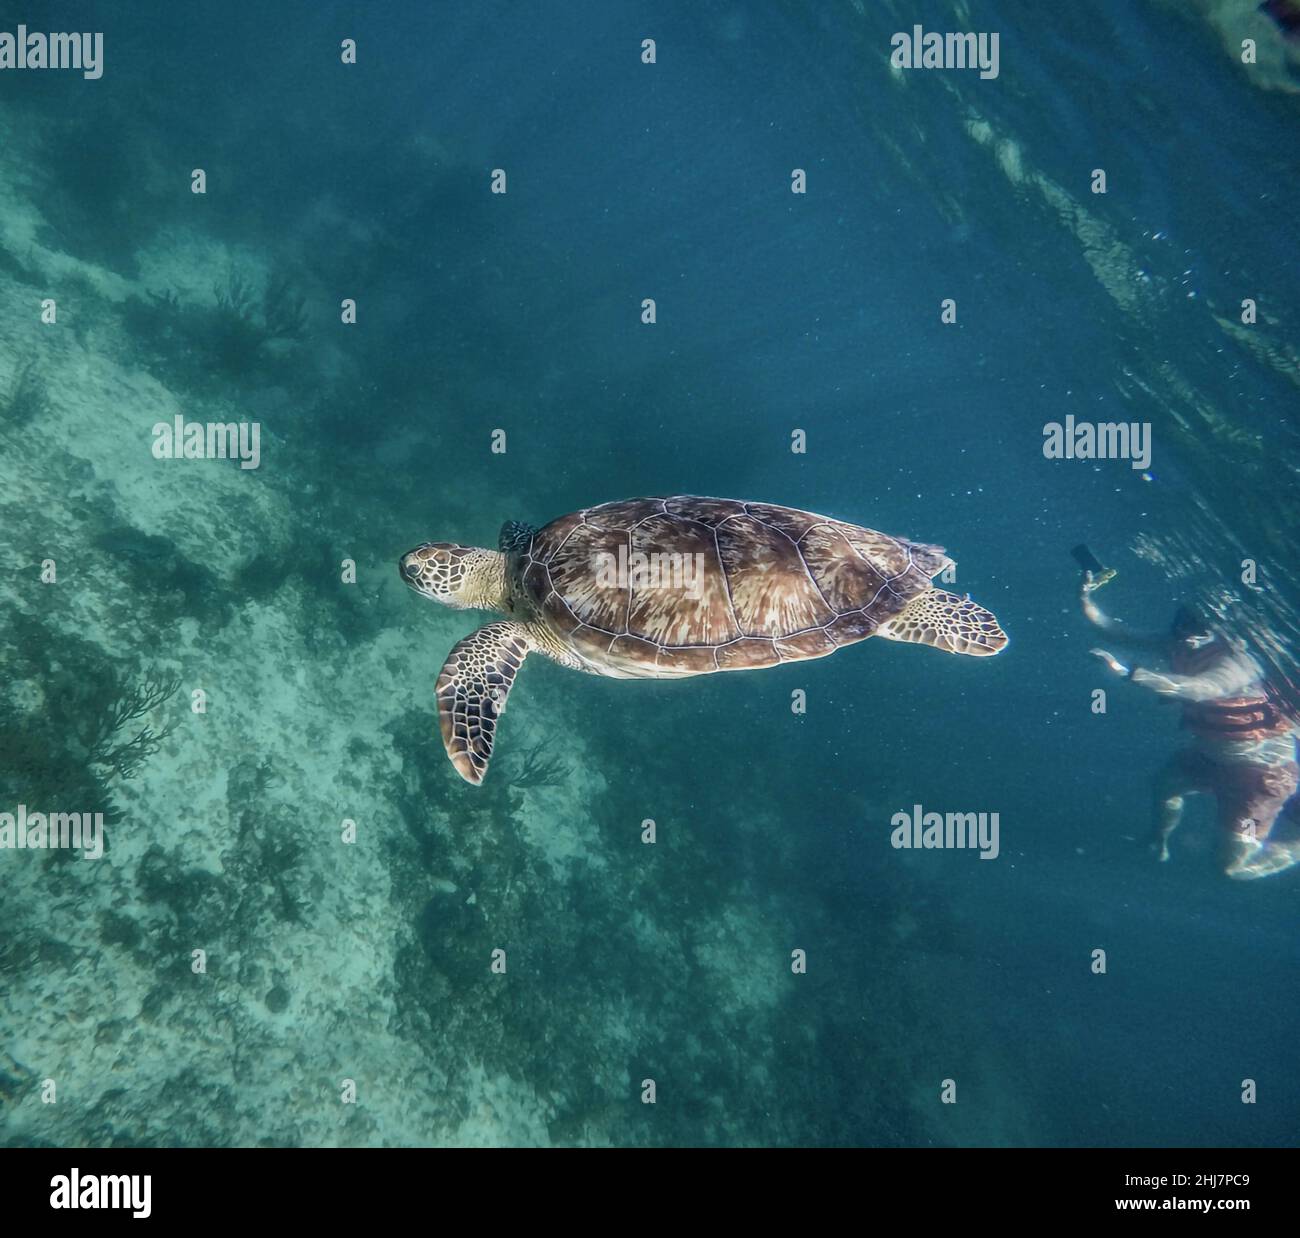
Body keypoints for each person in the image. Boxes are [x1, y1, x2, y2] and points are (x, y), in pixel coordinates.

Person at [1081, 573, 1300, 879]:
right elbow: (1115, 632)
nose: (1188, 634)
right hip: (1207, 758)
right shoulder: (1176, 643)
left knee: (1230, 868)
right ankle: (1159, 838)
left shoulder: (1240, 661)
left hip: (1259, 776)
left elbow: (1199, 689)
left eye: (1199, 627)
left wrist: (1128, 673)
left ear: (1219, 629)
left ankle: (1296, 842)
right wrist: (1086, 598)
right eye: (1184, 622)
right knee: (1164, 786)